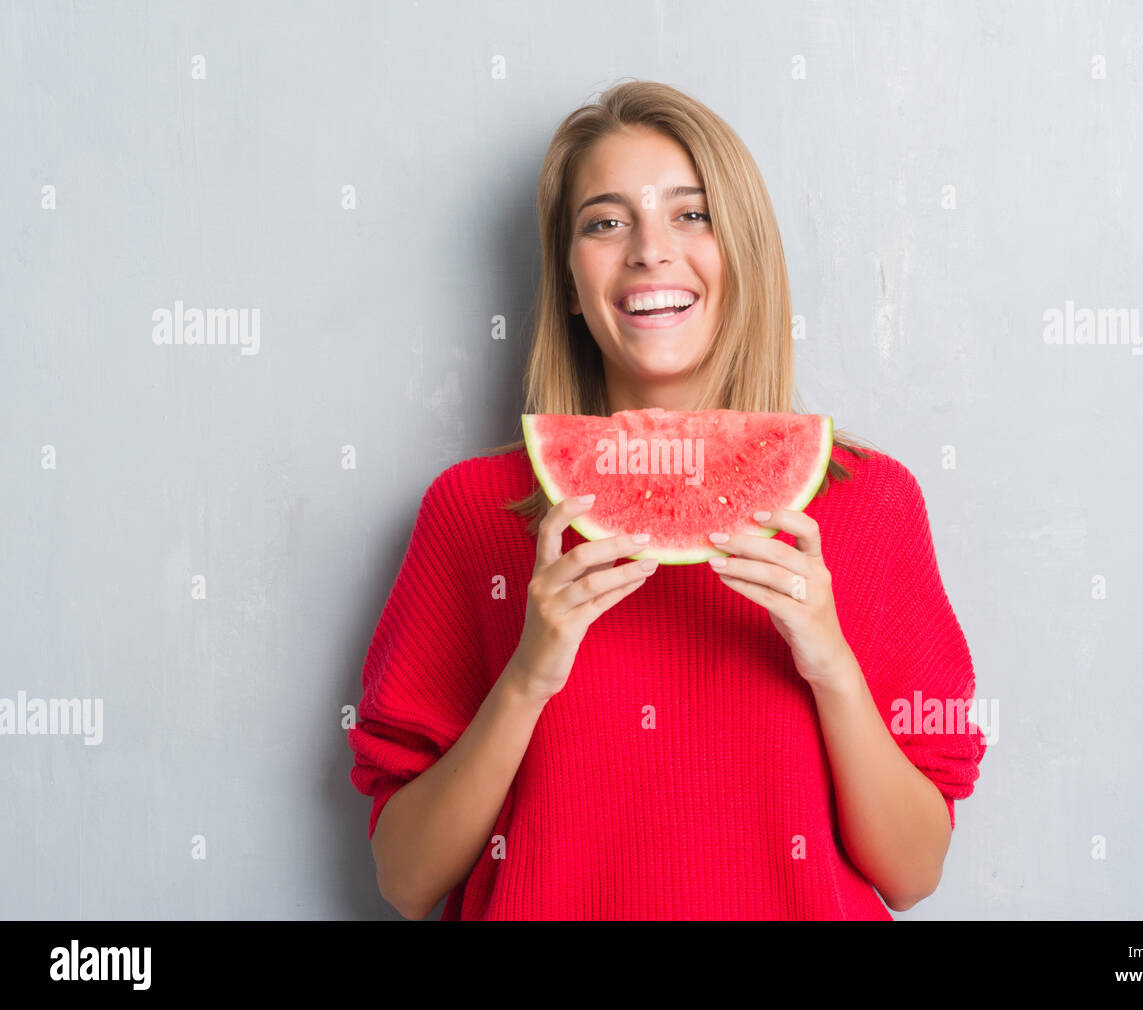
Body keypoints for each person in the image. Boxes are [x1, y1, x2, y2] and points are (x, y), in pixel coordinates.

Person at [347, 79, 986, 920]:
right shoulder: (472, 514)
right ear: (570, 282)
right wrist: (528, 674)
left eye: (692, 214)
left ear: (744, 256)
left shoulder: (872, 506)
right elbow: (406, 877)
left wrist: (830, 662)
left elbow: (913, 872)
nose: (650, 250)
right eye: (605, 222)